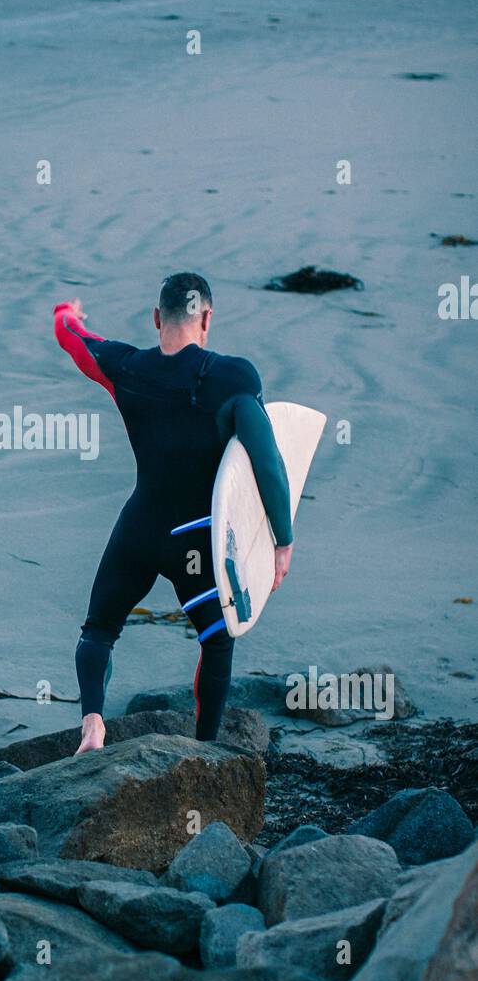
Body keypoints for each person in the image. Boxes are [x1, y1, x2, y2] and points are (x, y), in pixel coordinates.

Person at [53, 273, 294, 755]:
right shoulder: (234, 378)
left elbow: (75, 341)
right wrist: (281, 540)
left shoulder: (126, 367)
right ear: (207, 319)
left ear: (157, 318)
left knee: (99, 630)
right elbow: (267, 461)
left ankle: (93, 725)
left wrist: (67, 312)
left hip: (139, 528)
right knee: (217, 640)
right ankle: (204, 748)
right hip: (195, 539)